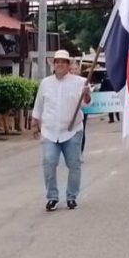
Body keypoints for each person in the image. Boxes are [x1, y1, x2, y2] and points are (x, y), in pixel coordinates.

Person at [31, 49, 92, 211]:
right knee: (49, 162)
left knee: (74, 164)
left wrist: (86, 94)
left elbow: (86, 103)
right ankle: (52, 197)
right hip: (50, 131)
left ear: (68, 65)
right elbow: (39, 104)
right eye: (57, 62)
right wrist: (34, 122)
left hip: (72, 131)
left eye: (63, 62)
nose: (60, 64)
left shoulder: (80, 82)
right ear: (53, 64)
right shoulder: (46, 83)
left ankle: (72, 196)